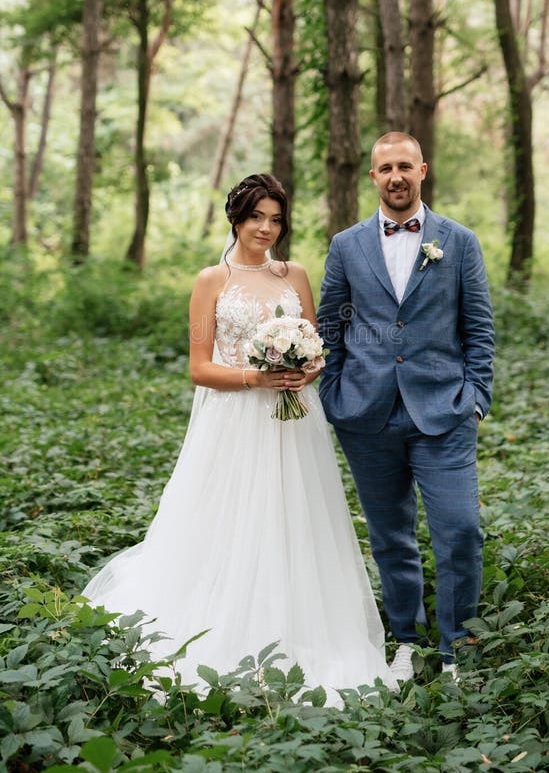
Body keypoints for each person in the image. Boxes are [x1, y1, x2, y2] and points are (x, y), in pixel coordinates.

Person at [83, 173, 397, 704]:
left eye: (275, 219)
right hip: (234, 422)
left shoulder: (294, 274)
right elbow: (200, 368)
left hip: (294, 423)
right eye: (256, 217)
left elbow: (317, 348)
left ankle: (299, 628)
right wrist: (257, 378)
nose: (265, 229)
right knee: (232, 522)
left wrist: (305, 369)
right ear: (236, 218)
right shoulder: (212, 280)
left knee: (294, 520)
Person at [317, 133, 495, 681]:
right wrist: (334, 396)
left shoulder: (458, 242)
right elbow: (330, 325)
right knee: (391, 538)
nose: (396, 176)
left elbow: (479, 327)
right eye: (385, 168)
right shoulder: (346, 245)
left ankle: (457, 648)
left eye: (405, 166)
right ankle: (407, 642)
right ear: (372, 176)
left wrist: (476, 399)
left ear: (423, 170)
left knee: (460, 530)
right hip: (366, 417)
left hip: (443, 413)